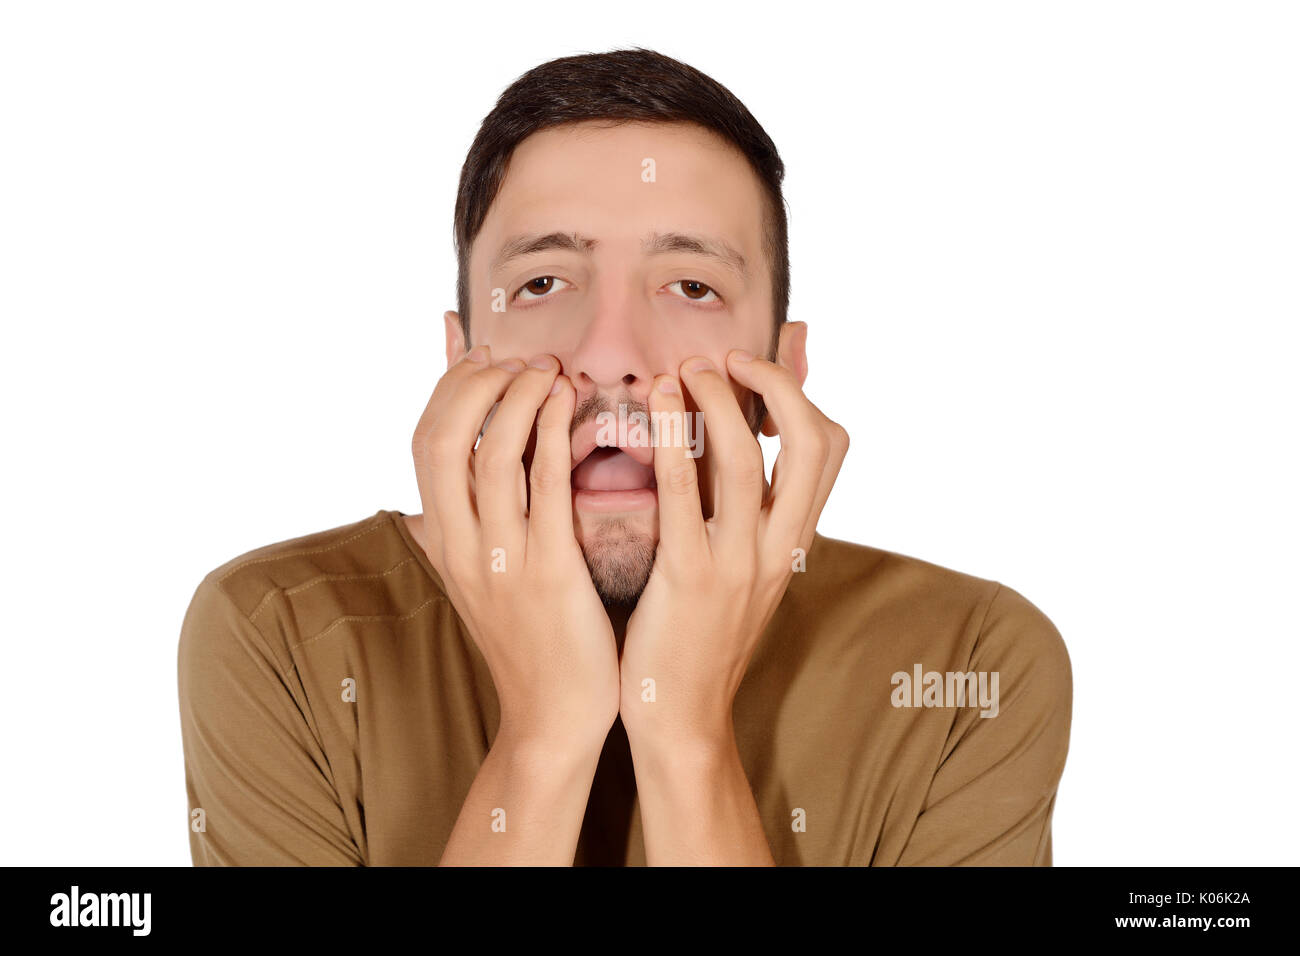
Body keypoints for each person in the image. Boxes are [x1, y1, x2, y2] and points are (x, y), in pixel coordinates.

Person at [178, 47, 1072, 866]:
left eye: (691, 285)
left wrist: (684, 731)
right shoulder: (280, 636)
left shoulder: (971, 666)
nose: (611, 352)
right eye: (542, 283)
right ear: (461, 363)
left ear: (782, 374)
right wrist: (547, 732)